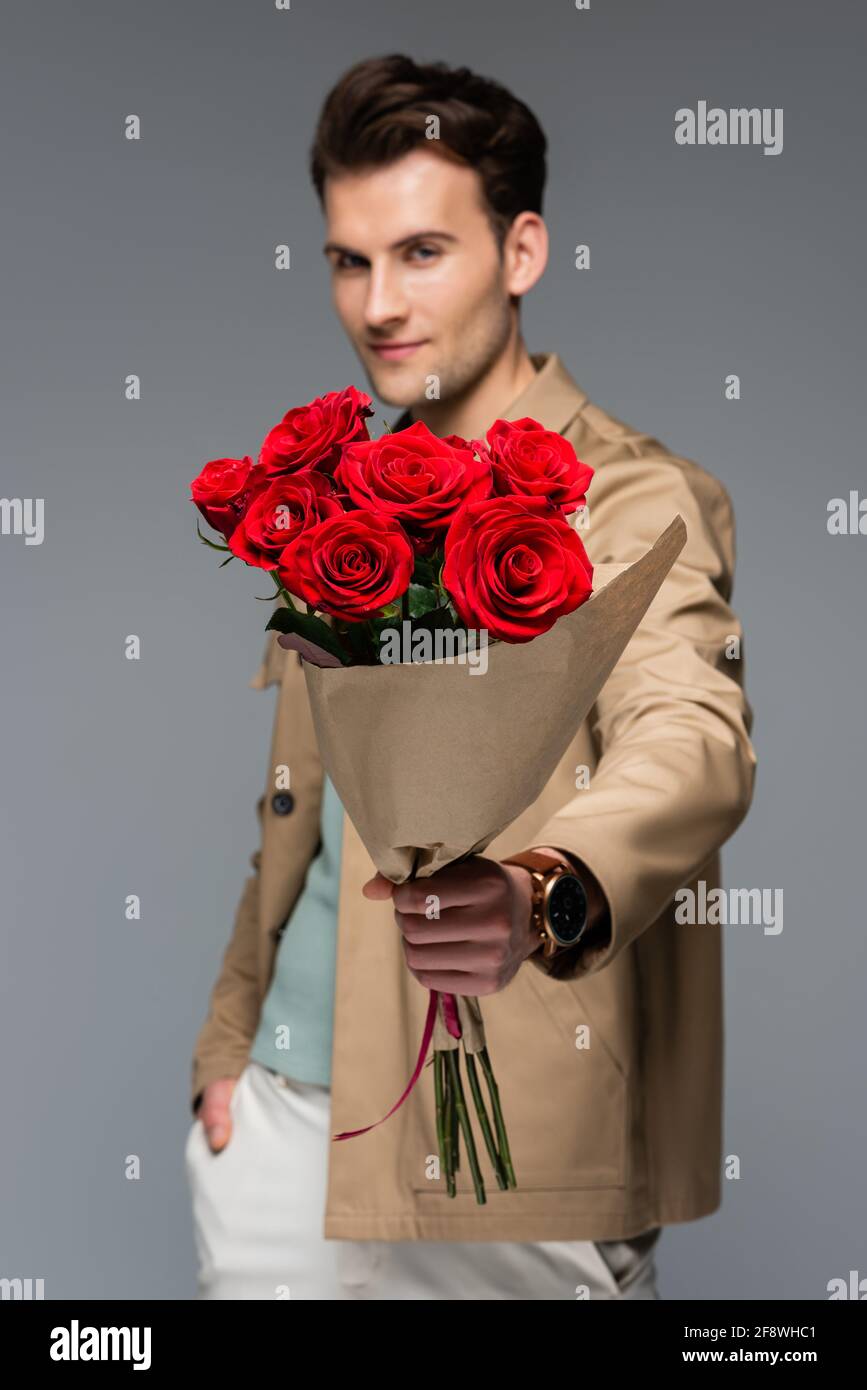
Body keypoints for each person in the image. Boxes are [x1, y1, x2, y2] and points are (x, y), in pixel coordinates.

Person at [184, 53, 756, 1300]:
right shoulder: (335, 502)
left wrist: (549, 887)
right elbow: (300, 823)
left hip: (508, 1158)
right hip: (281, 1132)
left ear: (525, 251)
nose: (379, 302)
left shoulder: (634, 497)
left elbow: (693, 738)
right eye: (349, 259)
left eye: (423, 252)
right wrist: (229, 1046)